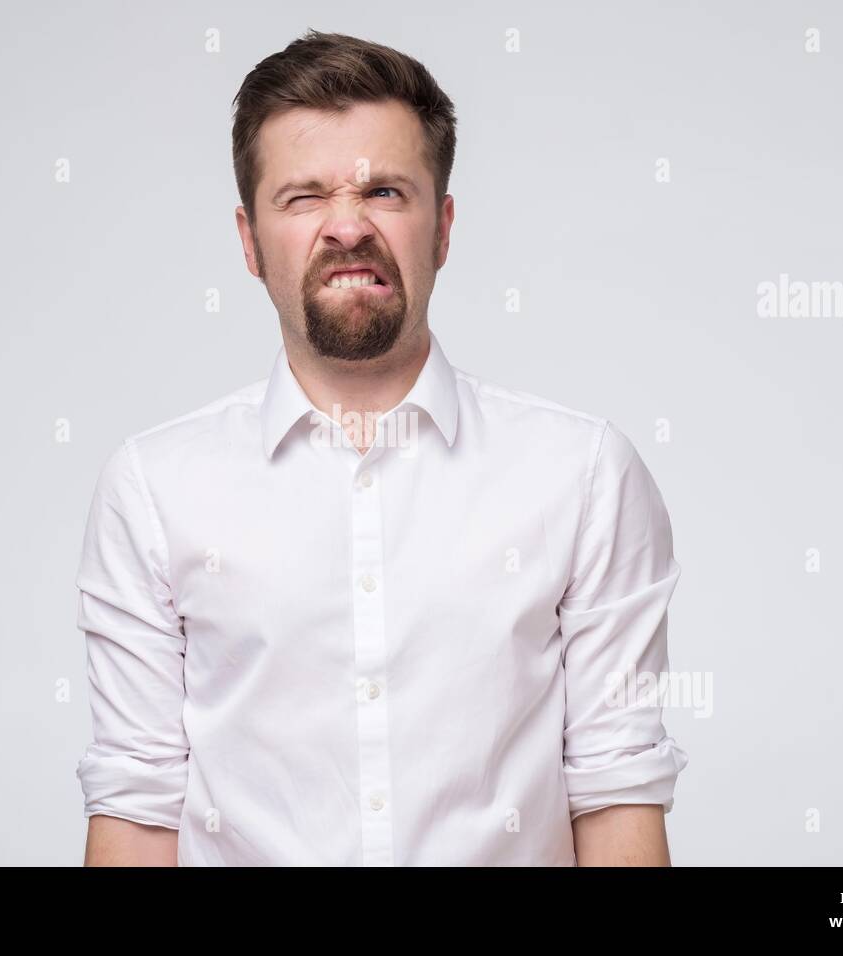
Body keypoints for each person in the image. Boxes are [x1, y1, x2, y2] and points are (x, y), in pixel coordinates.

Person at [76, 29, 687, 866]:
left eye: (386, 193)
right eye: (304, 198)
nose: (348, 227)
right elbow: (135, 806)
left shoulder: (582, 477)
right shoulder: (153, 489)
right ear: (249, 242)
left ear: (442, 228)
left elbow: (618, 795)